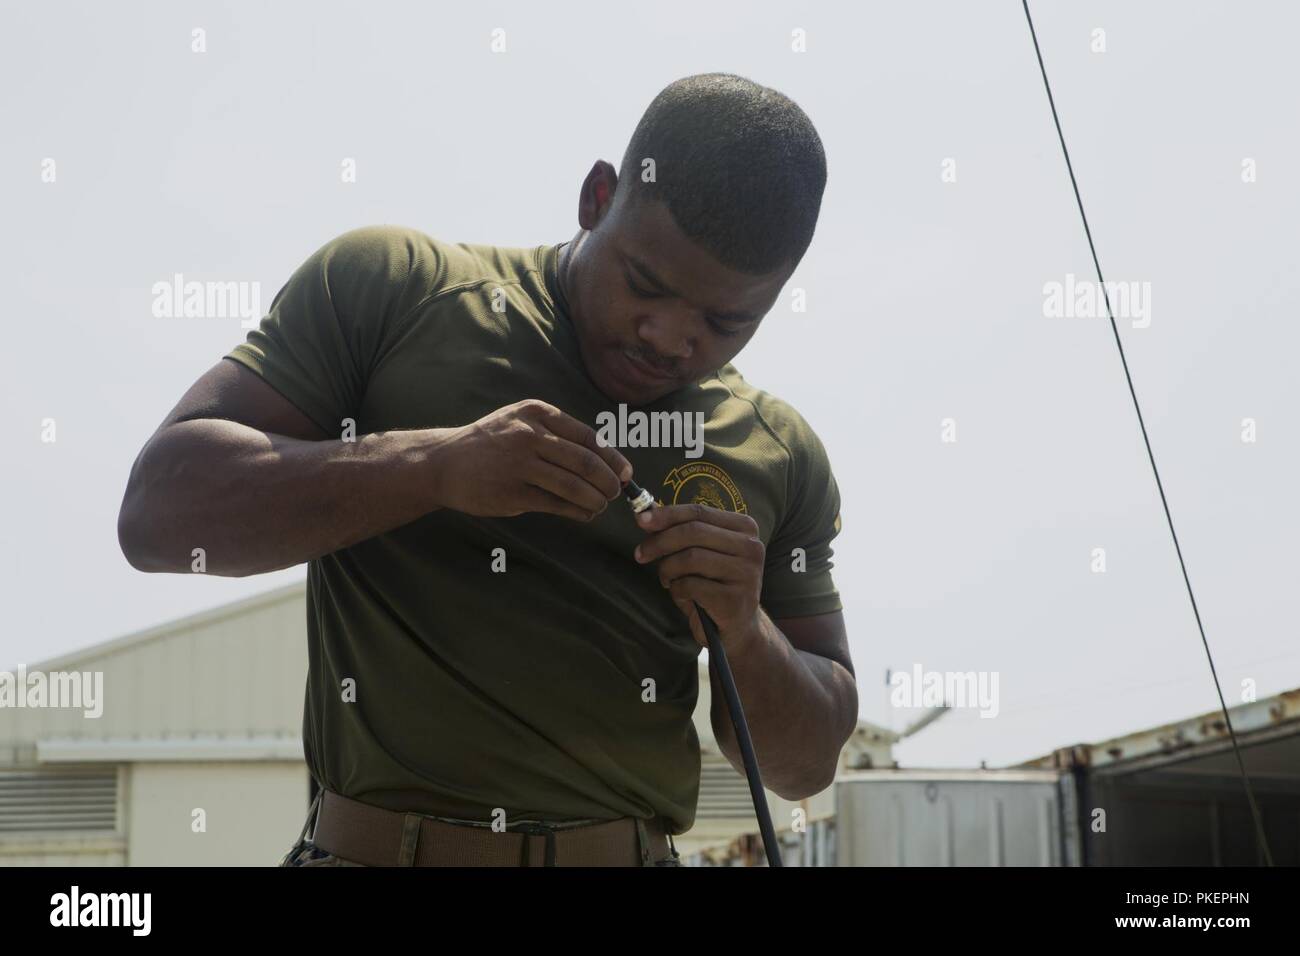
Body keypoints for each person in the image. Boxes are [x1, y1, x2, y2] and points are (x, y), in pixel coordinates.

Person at [117, 72, 859, 867]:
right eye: (646, 283)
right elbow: (158, 516)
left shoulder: (776, 452)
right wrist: (434, 466)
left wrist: (747, 633)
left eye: (725, 320)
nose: (669, 337)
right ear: (598, 196)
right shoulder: (395, 290)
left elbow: (804, 767)